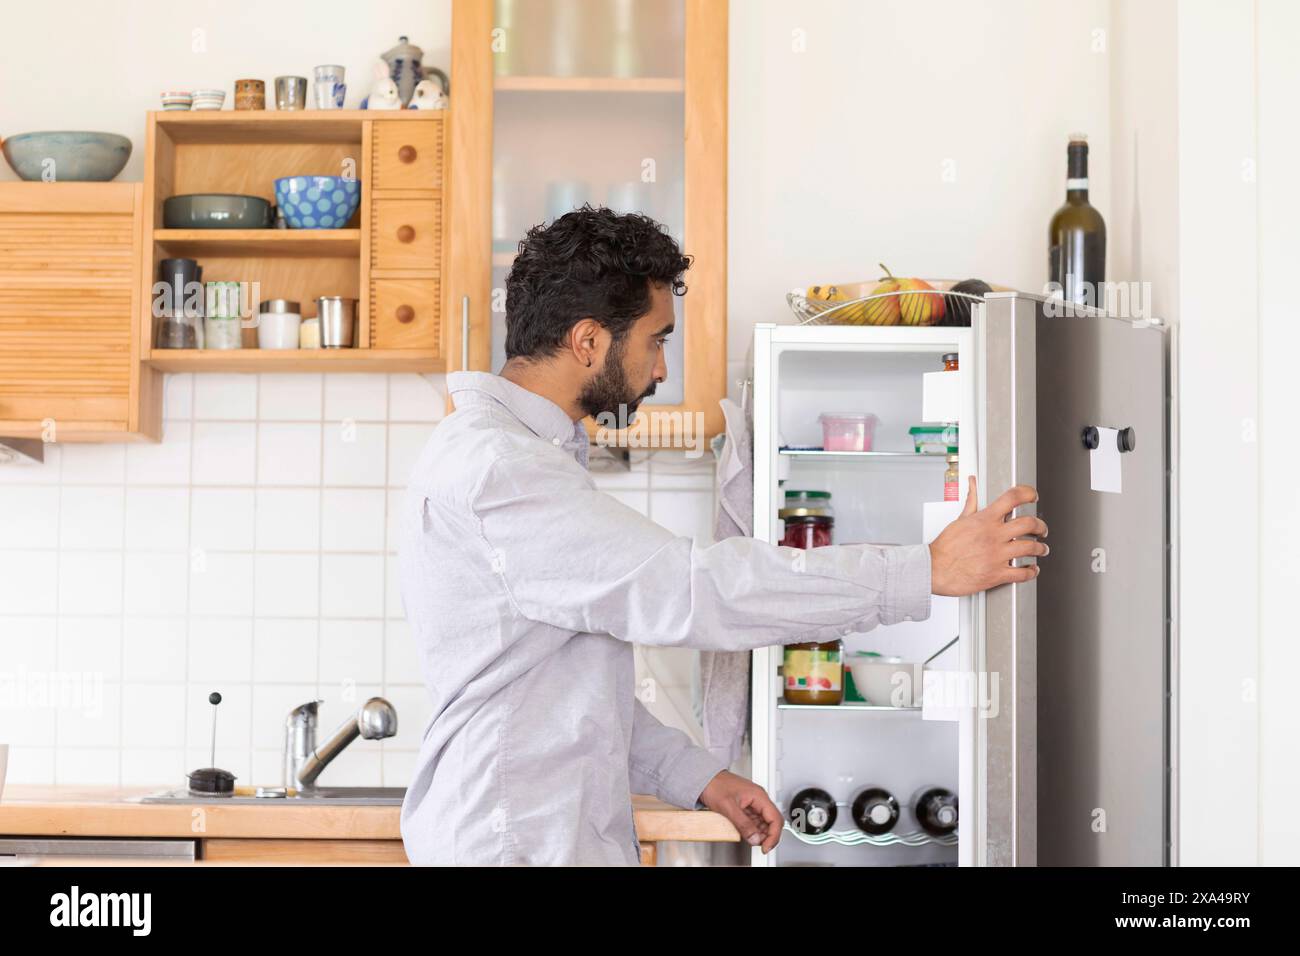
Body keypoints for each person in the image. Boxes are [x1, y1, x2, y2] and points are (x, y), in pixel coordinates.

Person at [398, 206, 1049, 865]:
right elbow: (691, 589)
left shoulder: (519, 458)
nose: (660, 371)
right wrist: (922, 570)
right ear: (589, 341)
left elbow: (566, 694)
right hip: (514, 845)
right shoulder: (502, 469)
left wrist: (694, 775)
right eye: (655, 341)